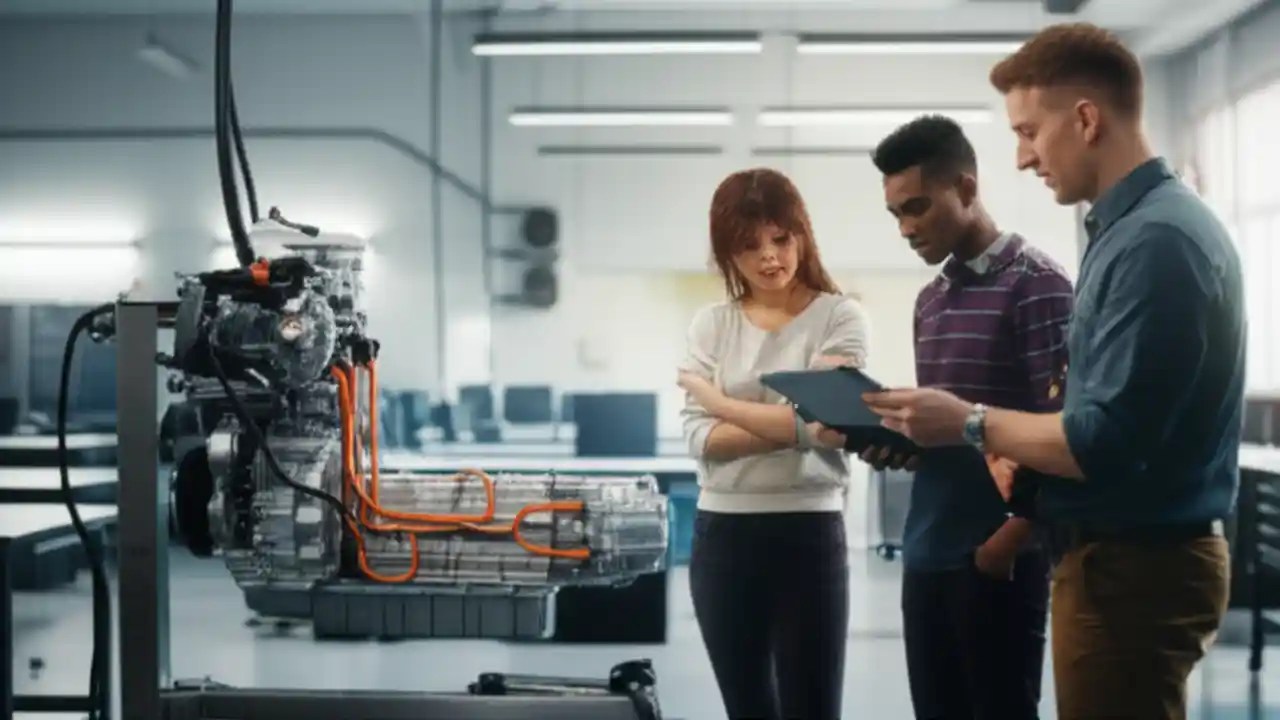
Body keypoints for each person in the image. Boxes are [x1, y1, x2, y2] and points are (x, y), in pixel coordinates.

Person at [862, 23, 1245, 720]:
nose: (1021, 157)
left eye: (1029, 132)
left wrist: (971, 424)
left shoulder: (1156, 240)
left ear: (1087, 120)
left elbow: (1100, 437)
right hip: (1107, 558)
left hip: (1133, 563)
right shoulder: (1126, 234)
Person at [866, 114, 1072, 720]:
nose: (906, 228)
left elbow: (1065, 432)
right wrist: (893, 441)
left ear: (966, 188)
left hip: (995, 560)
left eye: (917, 208)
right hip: (926, 552)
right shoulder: (930, 301)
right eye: (896, 214)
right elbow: (950, 430)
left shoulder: (1040, 286)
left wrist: (1009, 543)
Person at [677, 167, 869, 720]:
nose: (769, 256)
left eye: (781, 238)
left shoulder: (839, 316)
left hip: (809, 530)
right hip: (723, 536)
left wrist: (717, 401)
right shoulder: (711, 324)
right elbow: (701, 439)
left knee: (813, 708)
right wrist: (799, 430)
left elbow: (827, 420)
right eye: (749, 245)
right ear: (727, 254)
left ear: (802, 235)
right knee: (748, 709)